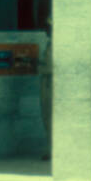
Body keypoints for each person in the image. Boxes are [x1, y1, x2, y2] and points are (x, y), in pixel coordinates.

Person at [38, 17, 53, 160]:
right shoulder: (50, 44)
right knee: (47, 118)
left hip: (51, 84)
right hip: (47, 82)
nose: (46, 31)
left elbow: (50, 66)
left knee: (51, 117)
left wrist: (39, 65)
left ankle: (54, 150)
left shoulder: (56, 45)